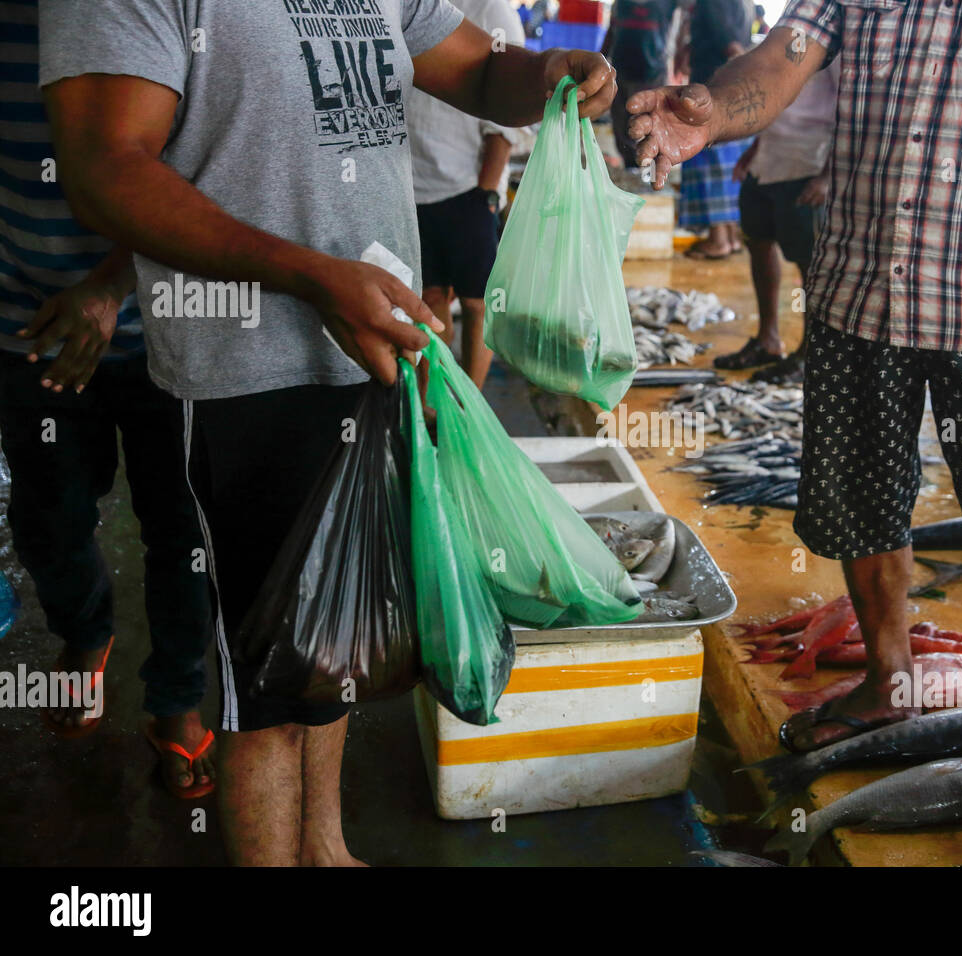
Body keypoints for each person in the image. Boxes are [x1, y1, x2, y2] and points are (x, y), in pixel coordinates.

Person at [40, 0, 615, 865]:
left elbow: (482, 71)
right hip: (245, 373)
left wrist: (547, 76)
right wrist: (311, 277)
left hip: (375, 355)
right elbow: (103, 166)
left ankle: (327, 848)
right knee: (264, 686)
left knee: (334, 637)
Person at [630, 0, 962, 782]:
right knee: (862, 504)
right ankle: (888, 678)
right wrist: (708, 114)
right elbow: (784, 54)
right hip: (855, 291)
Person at [0, 0, 214, 798]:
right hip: (29, 320)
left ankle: (178, 698)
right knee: (48, 516)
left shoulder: (162, 16)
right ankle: (86, 636)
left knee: (182, 528)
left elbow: (205, 167)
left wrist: (110, 286)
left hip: (171, 323)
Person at [408, 0, 526, 389]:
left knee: (477, 302)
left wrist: (485, 194)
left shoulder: (493, 13)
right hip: (412, 184)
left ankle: (472, 403)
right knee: (429, 300)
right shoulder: (410, 6)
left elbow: (504, 119)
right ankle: (431, 402)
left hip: (468, 187)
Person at [713, 55, 838, 384]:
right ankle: (768, 340)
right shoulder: (793, 34)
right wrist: (754, 149)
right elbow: (777, 98)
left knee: (808, 267)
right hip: (768, 159)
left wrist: (828, 176)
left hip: (807, 164)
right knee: (758, 244)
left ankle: (809, 355)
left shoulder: (839, 41)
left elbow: (851, 110)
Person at [676, 0, 752, 258]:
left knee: (711, 163)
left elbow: (729, 41)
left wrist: (742, 76)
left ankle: (718, 239)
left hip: (711, 90)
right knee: (727, 167)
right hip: (726, 93)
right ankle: (731, 237)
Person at [604, 0, 682, 170]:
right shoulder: (621, 3)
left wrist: (681, 56)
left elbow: (687, 18)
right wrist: (601, 58)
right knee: (622, 123)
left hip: (652, 74)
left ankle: (650, 171)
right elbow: (611, 30)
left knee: (651, 124)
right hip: (621, 70)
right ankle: (630, 167)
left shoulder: (668, 3)